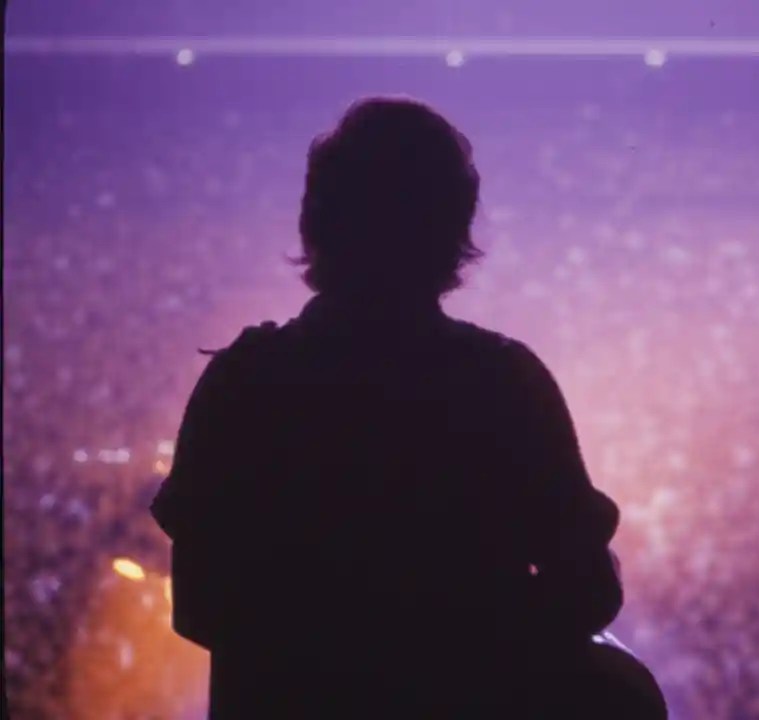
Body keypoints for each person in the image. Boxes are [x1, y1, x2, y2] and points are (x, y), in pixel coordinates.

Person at [151, 97, 645, 718]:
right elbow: (586, 590)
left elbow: (200, 606)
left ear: (318, 223)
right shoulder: (504, 382)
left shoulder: (243, 380)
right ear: (452, 231)